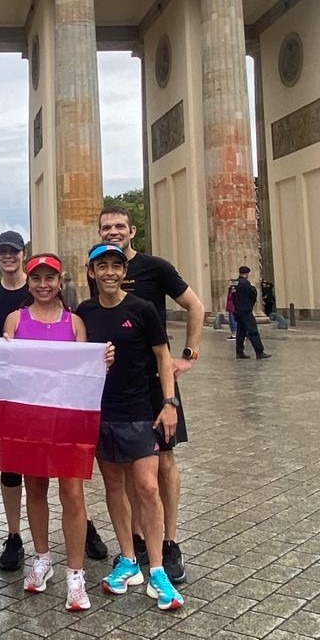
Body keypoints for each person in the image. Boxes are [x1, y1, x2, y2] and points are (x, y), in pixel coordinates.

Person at [95, 205, 205, 586]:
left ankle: (169, 542)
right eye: (106, 227)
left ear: (132, 231)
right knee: (129, 467)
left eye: (119, 226)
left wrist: (188, 355)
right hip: (119, 385)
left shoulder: (155, 267)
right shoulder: (101, 270)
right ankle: (139, 541)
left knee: (165, 461)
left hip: (157, 382)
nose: (113, 231)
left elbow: (195, 306)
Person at [79, 244, 184, 612]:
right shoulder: (85, 312)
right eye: (102, 266)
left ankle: (157, 567)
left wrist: (169, 403)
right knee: (113, 486)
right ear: (91, 272)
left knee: (147, 487)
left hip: (140, 411)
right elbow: (75, 357)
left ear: (124, 272)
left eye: (116, 266)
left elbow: (163, 356)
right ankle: (127, 558)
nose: (109, 272)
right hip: (102, 412)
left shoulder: (142, 309)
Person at [4, 253, 102, 612]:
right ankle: (42, 557)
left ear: (61, 282)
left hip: (67, 419)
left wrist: (101, 361)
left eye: (50, 278)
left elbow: (85, 372)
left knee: (72, 494)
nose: (43, 285)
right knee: (35, 489)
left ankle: (75, 573)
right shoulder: (15, 319)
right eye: (36, 278)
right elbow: (3, 369)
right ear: (28, 282)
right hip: (30, 419)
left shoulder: (74, 323)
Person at [0, 230, 30, 572]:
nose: (8, 256)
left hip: (44, 389)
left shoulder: (42, 286)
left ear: (23, 254)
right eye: (3, 251)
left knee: (57, 462)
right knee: (11, 464)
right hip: (7, 390)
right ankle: (13, 535)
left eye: (13, 251)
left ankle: (84, 524)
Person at [233, 266, 269, 360]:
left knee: (241, 332)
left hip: (238, 310)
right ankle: (259, 351)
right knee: (253, 330)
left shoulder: (235, 283)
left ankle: (239, 352)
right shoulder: (245, 283)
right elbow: (253, 293)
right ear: (246, 273)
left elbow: (232, 296)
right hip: (246, 310)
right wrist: (250, 303)